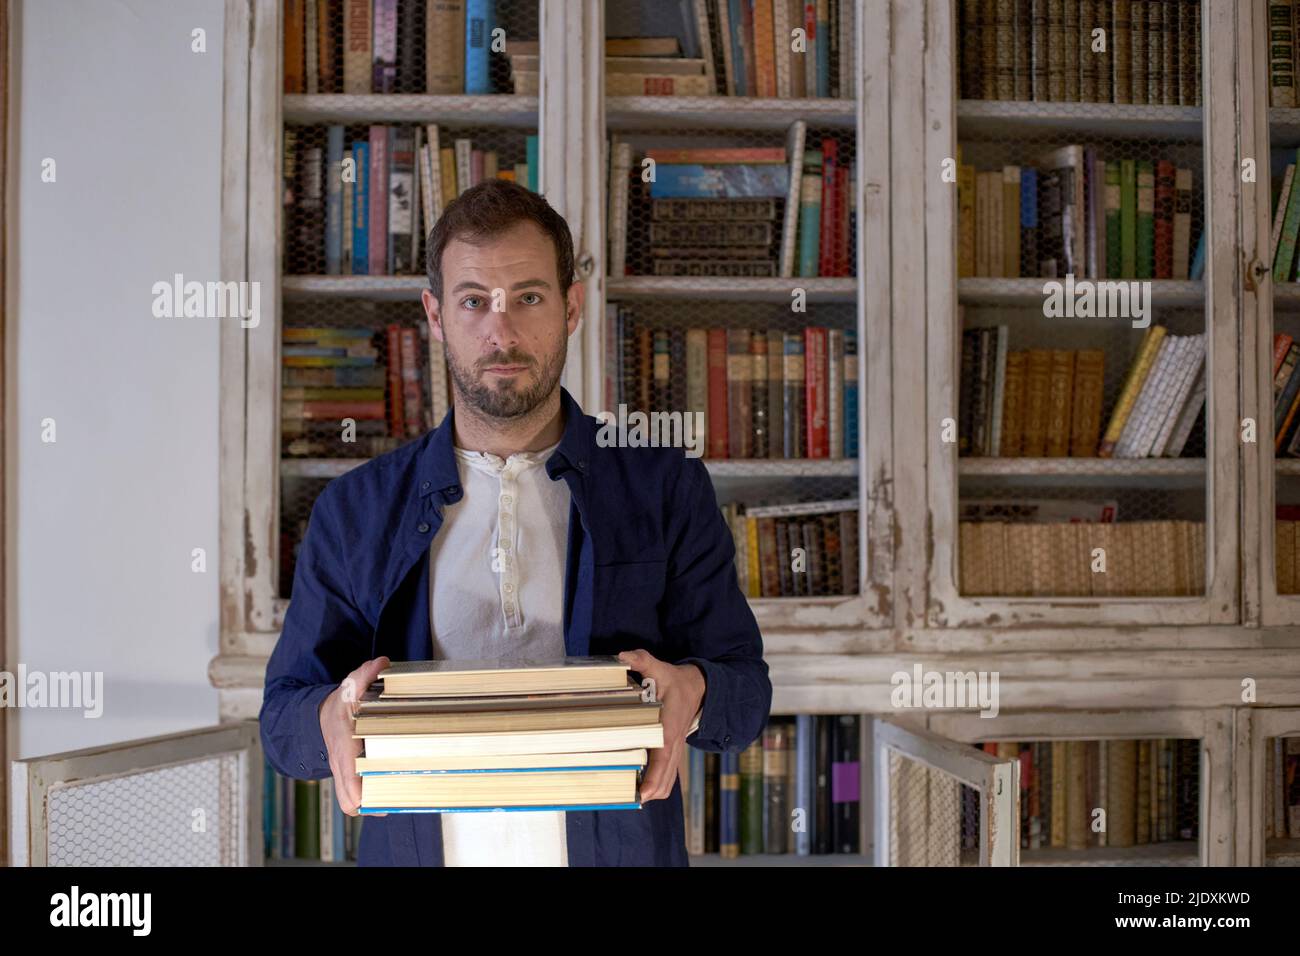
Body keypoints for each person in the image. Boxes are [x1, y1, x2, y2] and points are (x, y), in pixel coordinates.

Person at [259, 179, 771, 866]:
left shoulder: (665, 487)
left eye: (528, 297)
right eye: (474, 301)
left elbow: (747, 691)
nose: (501, 332)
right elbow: (281, 722)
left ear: (572, 307)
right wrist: (327, 716)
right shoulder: (355, 510)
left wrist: (696, 692)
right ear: (436, 316)